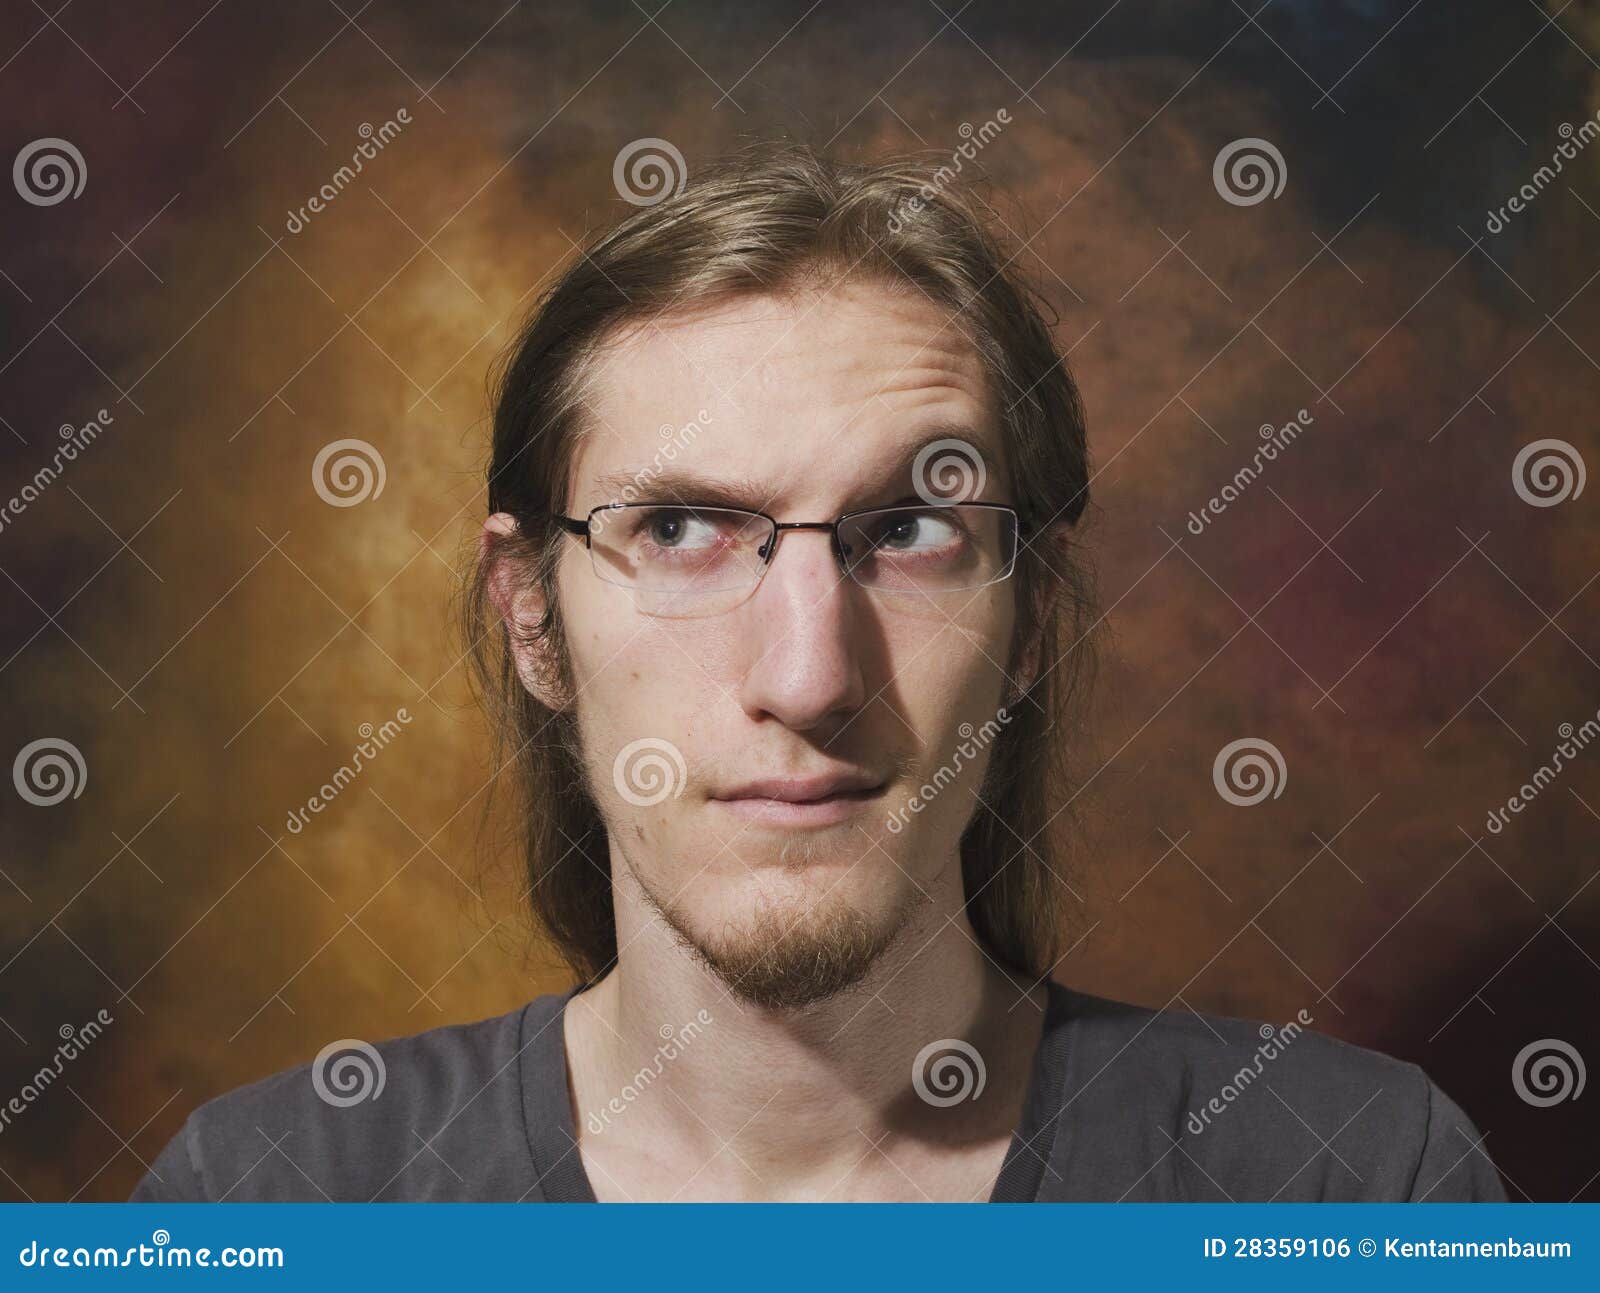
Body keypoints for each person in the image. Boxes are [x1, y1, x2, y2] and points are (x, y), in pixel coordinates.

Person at [131, 141, 1504, 1203]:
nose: (807, 672)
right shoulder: (275, 1198)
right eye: (679, 529)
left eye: (907, 530)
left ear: (1030, 624)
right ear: (533, 619)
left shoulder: (1351, 1184)